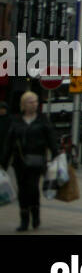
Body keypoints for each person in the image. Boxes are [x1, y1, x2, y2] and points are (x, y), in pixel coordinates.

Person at [1, 92, 61, 232]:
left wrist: (56, 155)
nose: (34, 104)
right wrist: (3, 163)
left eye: (35, 101)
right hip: (20, 162)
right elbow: (9, 143)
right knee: (22, 190)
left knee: (33, 188)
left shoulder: (42, 119)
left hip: (37, 160)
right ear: (23, 105)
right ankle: (24, 219)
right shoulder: (16, 121)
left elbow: (51, 138)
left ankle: (35, 214)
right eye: (30, 101)